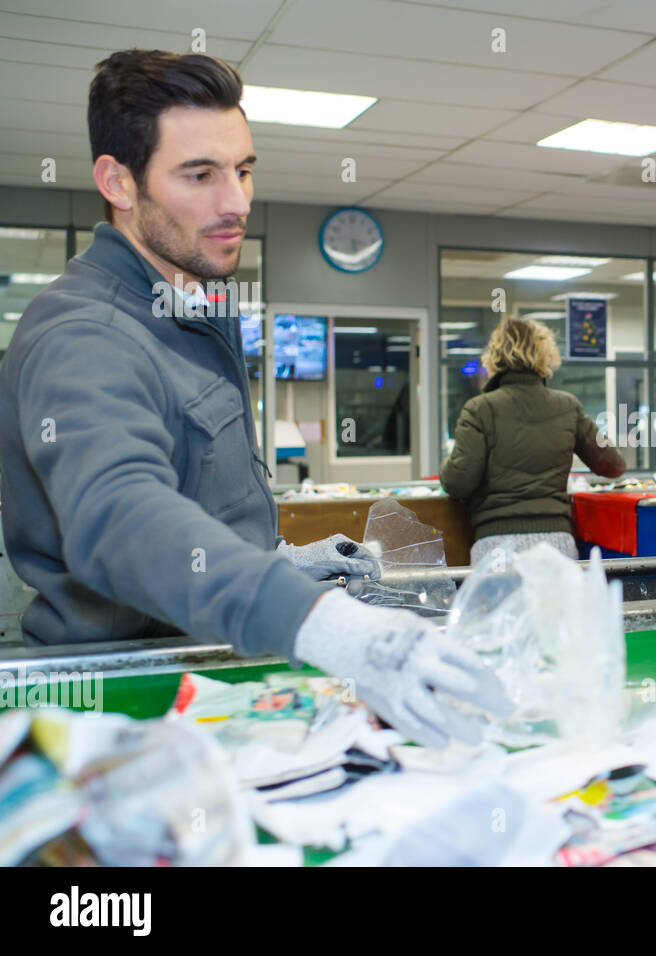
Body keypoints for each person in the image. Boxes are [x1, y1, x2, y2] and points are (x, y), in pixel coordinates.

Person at [0, 50, 508, 749]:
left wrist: (275, 560)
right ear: (117, 181)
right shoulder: (87, 333)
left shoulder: (189, 311)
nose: (235, 202)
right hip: (127, 713)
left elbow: (197, 500)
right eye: (199, 174)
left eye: (242, 170)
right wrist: (326, 623)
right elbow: (119, 518)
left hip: (210, 682)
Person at [440, 317, 626, 564]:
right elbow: (613, 465)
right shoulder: (568, 406)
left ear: (495, 356)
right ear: (545, 355)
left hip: (496, 546)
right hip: (556, 546)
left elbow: (458, 482)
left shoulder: (479, 409)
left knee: (500, 606)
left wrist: (446, 464)